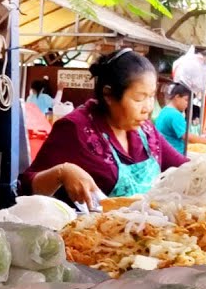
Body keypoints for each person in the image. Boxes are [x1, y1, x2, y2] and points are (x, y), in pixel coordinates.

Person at [21, 48, 187, 206]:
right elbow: (25, 188)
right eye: (139, 99)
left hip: (146, 231)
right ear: (108, 95)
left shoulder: (146, 131)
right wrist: (61, 172)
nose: (148, 108)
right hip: (88, 232)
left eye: (151, 96)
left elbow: (185, 168)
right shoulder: (75, 128)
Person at [154, 82, 206, 155]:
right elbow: (187, 136)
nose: (188, 104)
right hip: (174, 153)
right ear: (177, 97)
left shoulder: (164, 110)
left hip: (163, 151)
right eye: (186, 100)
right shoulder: (175, 115)